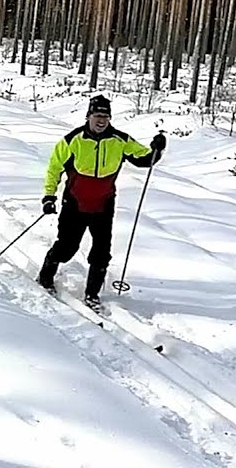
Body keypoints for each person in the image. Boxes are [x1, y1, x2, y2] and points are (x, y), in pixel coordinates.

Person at [37, 94, 165, 309]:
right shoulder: (72, 140)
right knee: (67, 247)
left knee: (101, 252)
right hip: (75, 203)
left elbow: (144, 160)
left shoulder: (120, 140)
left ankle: (92, 294)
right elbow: (54, 168)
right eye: (97, 115)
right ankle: (45, 276)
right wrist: (49, 196)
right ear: (88, 116)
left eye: (105, 116)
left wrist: (157, 149)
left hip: (104, 205)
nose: (101, 120)